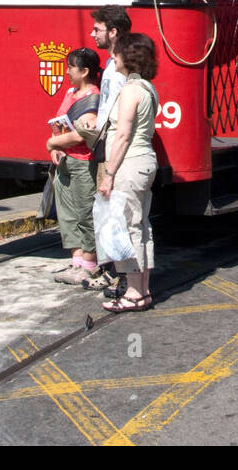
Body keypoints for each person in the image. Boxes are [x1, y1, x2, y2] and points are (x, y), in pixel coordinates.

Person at [96, 31, 159, 312]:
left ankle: (133, 292)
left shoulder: (130, 91)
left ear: (128, 57)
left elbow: (122, 135)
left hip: (129, 164)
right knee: (141, 226)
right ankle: (142, 290)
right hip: (145, 162)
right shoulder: (147, 87)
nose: (112, 56)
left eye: (116, 52)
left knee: (126, 228)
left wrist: (108, 174)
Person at [46, 47, 100, 284]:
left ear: (85, 71)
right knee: (67, 214)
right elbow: (62, 124)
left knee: (85, 212)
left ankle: (90, 263)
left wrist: (52, 142)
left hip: (83, 162)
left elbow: (81, 135)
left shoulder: (93, 97)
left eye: (70, 67)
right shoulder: (70, 93)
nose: (67, 71)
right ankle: (76, 259)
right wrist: (57, 146)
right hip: (65, 160)